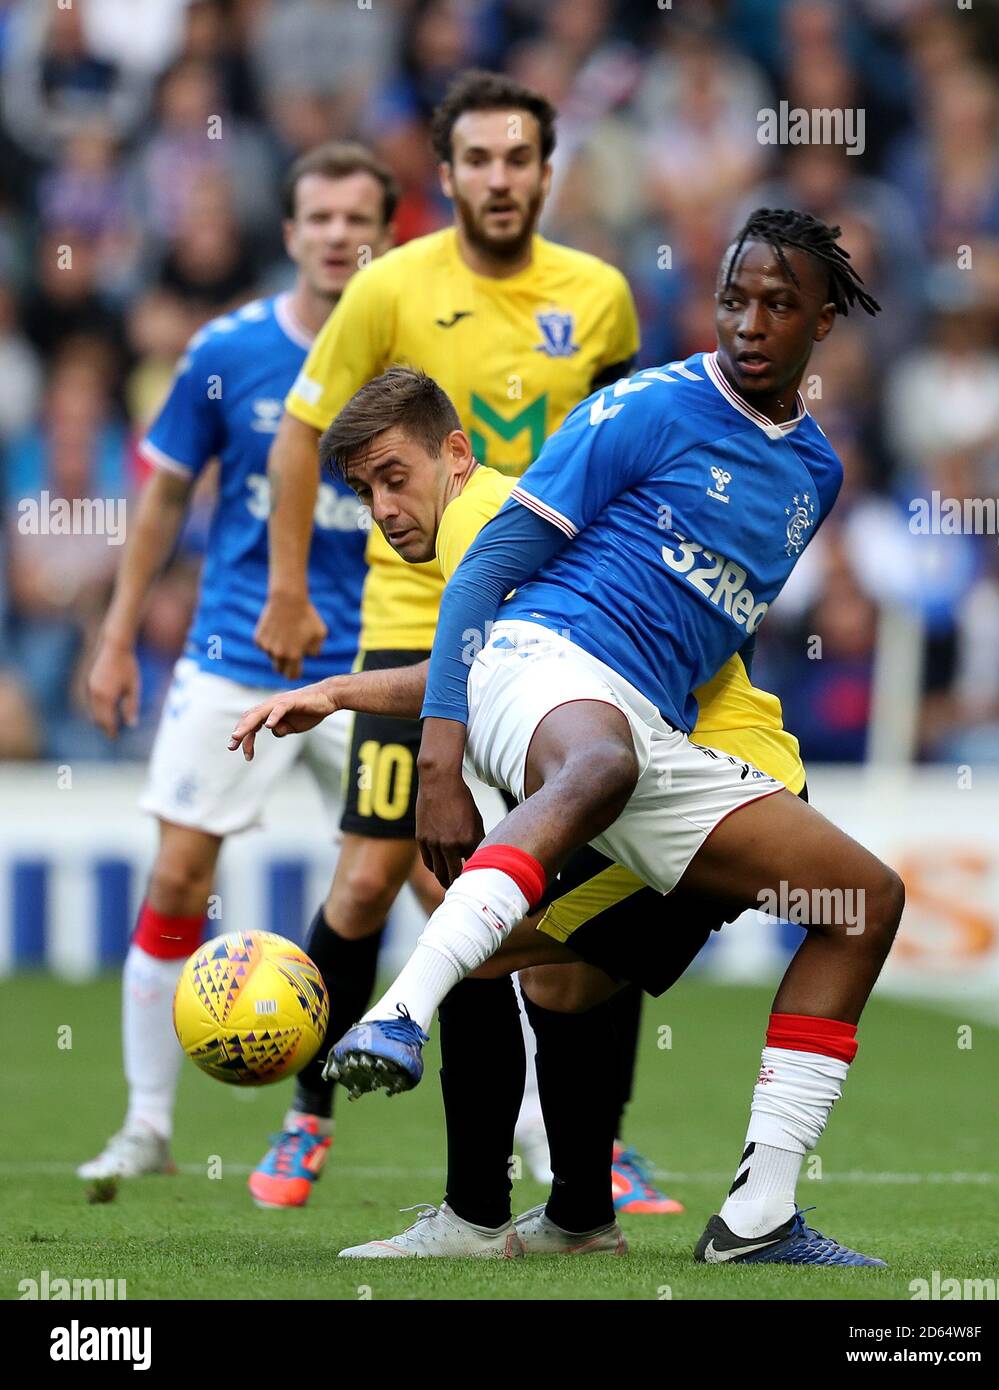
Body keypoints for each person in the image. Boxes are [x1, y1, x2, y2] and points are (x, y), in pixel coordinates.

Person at [327, 210, 904, 1267]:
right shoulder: (643, 405)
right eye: (734, 298)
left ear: (824, 321)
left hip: (649, 726)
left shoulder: (812, 474)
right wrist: (440, 762)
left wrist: (336, 695)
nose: (749, 323)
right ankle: (398, 1014)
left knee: (860, 901)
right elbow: (486, 570)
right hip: (542, 665)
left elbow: (703, 630)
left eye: (778, 304)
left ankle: (752, 1217)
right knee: (597, 775)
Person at [230, 360, 814, 1258]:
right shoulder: (500, 512)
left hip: (707, 784)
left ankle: (473, 1220)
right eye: (362, 490)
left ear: (454, 457)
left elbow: (483, 670)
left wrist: (434, 765)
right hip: (710, 770)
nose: (383, 508)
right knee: (559, 973)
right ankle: (580, 1220)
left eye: (396, 476)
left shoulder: (481, 523)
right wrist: (339, 692)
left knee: (471, 950)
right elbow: (484, 664)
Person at [246, 68, 677, 1218]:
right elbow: (306, 437)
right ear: (444, 177)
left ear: (546, 171)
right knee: (389, 873)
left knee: (584, 875)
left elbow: (626, 457)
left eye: (517, 159)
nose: (497, 177)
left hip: (565, 631)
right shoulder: (388, 285)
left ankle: (595, 1155)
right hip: (412, 625)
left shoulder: (598, 296)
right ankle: (310, 1115)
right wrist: (289, 590)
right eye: (475, 160)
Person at [77, 143, 396, 1181]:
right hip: (236, 650)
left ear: (384, 233)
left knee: (454, 880)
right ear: (292, 232)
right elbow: (166, 493)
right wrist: (120, 634)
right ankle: (145, 1126)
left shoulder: (415, 354)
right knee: (177, 870)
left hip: (374, 659)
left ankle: (546, 1135)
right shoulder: (228, 348)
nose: (340, 235)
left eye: (359, 218)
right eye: (321, 217)